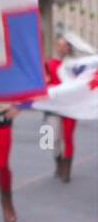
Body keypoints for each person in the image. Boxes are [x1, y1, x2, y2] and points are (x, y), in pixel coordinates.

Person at [44, 37, 77, 182]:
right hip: (53, 107)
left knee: (68, 137)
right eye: (59, 45)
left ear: (69, 48)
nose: (61, 48)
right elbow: (44, 82)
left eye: (64, 45)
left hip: (70, 107)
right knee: (51, 139)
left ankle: (67, 170)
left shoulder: (74, 66)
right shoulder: (49, 64)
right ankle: (58, 161)